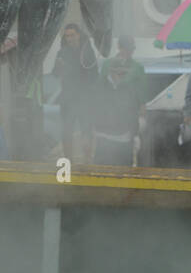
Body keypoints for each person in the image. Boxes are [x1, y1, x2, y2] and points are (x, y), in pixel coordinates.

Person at [96, 35, 146, 166]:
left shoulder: (138, 68)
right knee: (103, 164)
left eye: (131, 49)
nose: (129, 52)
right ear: (119, 47)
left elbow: (141, 97)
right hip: (105, 126)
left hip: (126, 125)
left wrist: (140, 121)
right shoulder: (107, 64)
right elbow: (99, 90)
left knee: (124, 162)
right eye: (126, 48)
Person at [53, 23, 98, 159]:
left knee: (86, 131)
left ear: (78, 35)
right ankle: (68, 162)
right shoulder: (62, 52)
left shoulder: (88, 52)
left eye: (72, 35)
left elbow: (94, 76)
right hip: (68, 99)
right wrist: (59, 67)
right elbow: (55, 74)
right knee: (66, 132)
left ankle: (88, 161)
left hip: (85, 99)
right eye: (67, 36)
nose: (70, 38)